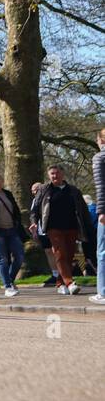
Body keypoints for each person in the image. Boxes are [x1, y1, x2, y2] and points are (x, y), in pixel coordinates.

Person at [28, 164, 92, 296]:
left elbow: (83, 211)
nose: (54, 176)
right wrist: (34, 223)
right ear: (48, 175)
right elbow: (35, 209)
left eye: (57, 173)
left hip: (72, 227)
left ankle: (60, 282)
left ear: (63, 174)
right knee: (60, 253)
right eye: (52, 173)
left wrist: (88, 227)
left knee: (69, 255)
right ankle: (70, 283)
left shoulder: (73, 190)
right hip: (53, 227)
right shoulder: (44, 190)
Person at [93, 128, 105, 305]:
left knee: (102, 251)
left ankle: (102, 291)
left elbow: (101, 186)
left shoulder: (99, 158)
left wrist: (102, 210)